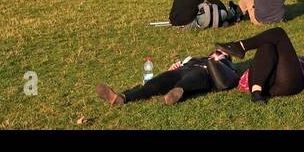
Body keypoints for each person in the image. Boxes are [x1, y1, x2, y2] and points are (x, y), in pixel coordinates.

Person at [96, 51, 239, 107]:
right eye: (217, 52)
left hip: (202, 74)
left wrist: (222, 60)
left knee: (190, 80)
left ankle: (172, 95)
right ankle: (121, 97)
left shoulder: (225, 66)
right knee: (155, 83)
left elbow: (229, 79)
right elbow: (180, 66)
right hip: (181, 71)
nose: (217, 53)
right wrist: (175, 66)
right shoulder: (195, 58)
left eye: (222, 53)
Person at [216, 27, 304, 102]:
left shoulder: (262, 57)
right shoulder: (289, 58)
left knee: (267, 45)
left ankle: (256, 92)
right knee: (278, 33)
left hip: (262, 84)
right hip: (287, 83)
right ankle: (241, 46)